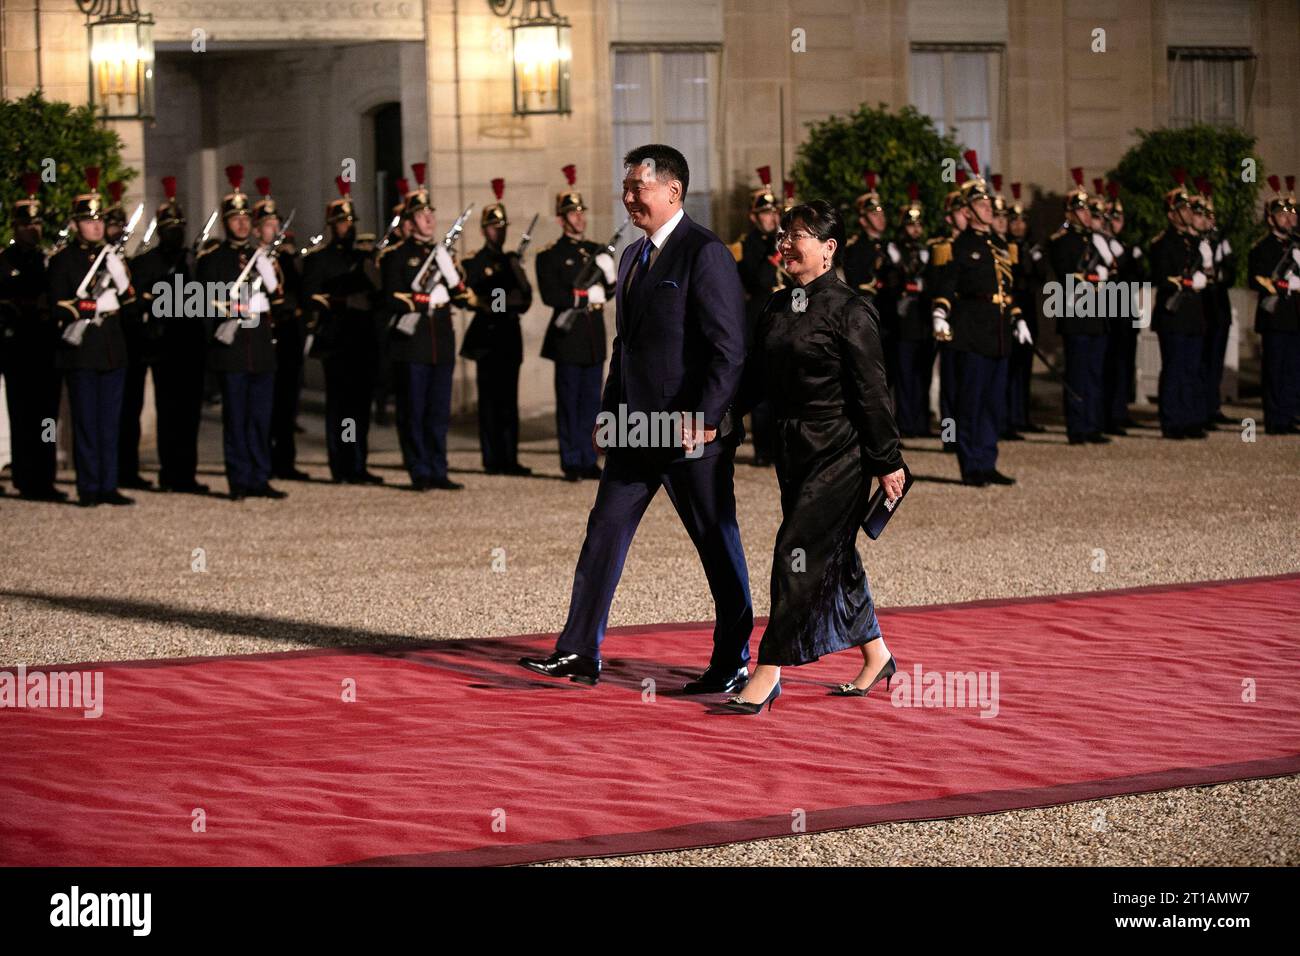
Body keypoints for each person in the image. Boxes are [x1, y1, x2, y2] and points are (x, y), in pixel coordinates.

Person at [518, 144, 753, 692]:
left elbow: (729, 349)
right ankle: (578, 652)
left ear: (673, 191)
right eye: (625, 189)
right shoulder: (632, 256)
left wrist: (707, 416)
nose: (628, 199)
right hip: (633, 431)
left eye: (638, 188)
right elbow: (625, 345)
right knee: (602, 532)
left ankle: (733, 660)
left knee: (716, 543)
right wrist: (608, 413)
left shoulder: (706, 252)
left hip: (691, 433)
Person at [724, 200, 907, 714]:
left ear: (828, 248)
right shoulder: (779, 306)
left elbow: (873, 391)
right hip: (792, 447)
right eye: (784, 234)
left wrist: (887, 459)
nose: (785, 243)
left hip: (840, 452)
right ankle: (877, 655)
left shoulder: (852, 309)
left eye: (798, 235)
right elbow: (756, 376)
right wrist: (726, 418)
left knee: (795, 551)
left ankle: (769, 669)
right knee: (836, 556)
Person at [930, 151, 1029, 486]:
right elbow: (949, 283)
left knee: (992, 401)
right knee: (970, 402)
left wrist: (1018, 318)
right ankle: (971, 464)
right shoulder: (960, 245)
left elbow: (1007, 286)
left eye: (989, 204)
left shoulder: (999, 245)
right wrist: (940, 313)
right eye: (982, 205)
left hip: (998, 330)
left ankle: (987, 460)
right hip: (971, 331)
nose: (990, 209)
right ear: (968, 211)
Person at [198, 164, 287, 499]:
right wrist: (232, 309)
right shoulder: (213, 258)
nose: (242, 223)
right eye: (235, 218)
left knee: (261, 418)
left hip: (260, 346)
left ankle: (259, 476)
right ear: (226, 221)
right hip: (232, 348)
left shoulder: (260, 256)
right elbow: (203, 301)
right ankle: (238, 479)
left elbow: (278, 298)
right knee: (236, 419)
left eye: (246, 218)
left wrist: (269, 270)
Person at [380, 163, 471, 490]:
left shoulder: (444, 254)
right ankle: (418, 469)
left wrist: (454, 280)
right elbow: (389, 297)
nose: (429, 219)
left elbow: (464, 298)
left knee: (437, 412)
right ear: (409, 222)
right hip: (412, 344)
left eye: (431, 213)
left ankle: (437, 467)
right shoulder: (396, 256)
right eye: (422, 215)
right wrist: (425, 300)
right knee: (413, 412)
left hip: (440, 342)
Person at [48, 167, 135, 506]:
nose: (97, 226)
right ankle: (89, 486)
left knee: (110, 422)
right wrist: (91, 303)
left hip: (112, 346)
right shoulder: (64, 261)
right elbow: (58, 305)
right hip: (82, 347)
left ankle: (108, 484)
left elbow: (129, 299)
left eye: (100, 220)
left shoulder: (112, 258)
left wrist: (119, 276)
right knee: (86, 421)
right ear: (75, 224)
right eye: (89, 221)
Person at [536, 164, 615, 481]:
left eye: (581, 212)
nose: (579, 217)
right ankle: (570, 460)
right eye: (573, 213)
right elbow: (551, 295)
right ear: (561, 219)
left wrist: (609, 278)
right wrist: (583, 296)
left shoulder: (596, 250)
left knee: (590, 403)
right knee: (569, 403)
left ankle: (587, 457)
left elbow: (608, 292)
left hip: (593, 335)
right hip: (568, 338)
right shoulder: (550, 255)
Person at [130, 175, 209, 494]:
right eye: (169, 225)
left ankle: (185, 472)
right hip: (163, 347)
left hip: (190, 345)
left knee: (190, 414)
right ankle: (170, 471)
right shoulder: (146, 263)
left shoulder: (194, 261)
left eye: (179, 225)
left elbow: (205, 299)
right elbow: (140, 302)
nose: (175, 231)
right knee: (169, 412)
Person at [302, 177, 382, 484]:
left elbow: (377, 295)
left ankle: (359, 461)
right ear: (331, 225)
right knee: (340, 407)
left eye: (350, 222)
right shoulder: (320, 260)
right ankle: (341, 463)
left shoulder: (363, 257)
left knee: (360, 406)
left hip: (362, 340)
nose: (346, 227)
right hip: (337, 341)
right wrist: (342, 296)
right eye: (341, 223)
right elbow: (312, 297)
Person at [461, 178, 534, 476]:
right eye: (493, 227)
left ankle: (510, 457)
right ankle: (492, 459)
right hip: (487, 340)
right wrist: (503, 298)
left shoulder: (510, 261)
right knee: (490, 403)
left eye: (502, 227)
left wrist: (503, 296)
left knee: (509, 402)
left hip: (508, 338)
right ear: (483, 229)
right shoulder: (475, 262)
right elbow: (480, 298)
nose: (499, 231)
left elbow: (525, 298)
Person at [1, 173, 65, 501]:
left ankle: (45, 476)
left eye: (37, 223)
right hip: (18, 351)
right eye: (27, 224)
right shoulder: (5, 261)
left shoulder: (47, 260)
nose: (33, 229)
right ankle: (26, 478)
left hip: (45, 351)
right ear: (15, 226)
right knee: (23, 416)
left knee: (47, 419)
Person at [1049, 169, 1110, 445]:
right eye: (1082, 211)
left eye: (1088, 211)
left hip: (1097, 315)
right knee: (1077, 373)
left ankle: (1092, 423)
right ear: (1070, 213)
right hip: (1076, 313)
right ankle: (1077, 427)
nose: (1087, 216)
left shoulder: (1094, 240)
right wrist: (1094, 277)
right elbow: (1066, 275)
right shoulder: (1062, 242)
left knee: (1095, 374)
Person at [729, 166, 785, 467]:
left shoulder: (783, 242)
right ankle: (764, 450)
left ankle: (784, 446)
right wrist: (776, 254)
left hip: (786, 322)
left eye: (774, 212)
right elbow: (759, 280)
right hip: (759, 322)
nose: (772, 217)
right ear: (754, 217)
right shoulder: (744, 246)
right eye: (766, 213)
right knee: (762, 393)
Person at [1148, 170, 1208, 440]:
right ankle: (1172, 421)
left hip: (1193, 313)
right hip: (1173, 313)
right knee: (1174, 368)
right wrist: (1185, 281)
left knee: (1192, 368)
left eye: (1188, 208)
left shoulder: (1194, 241)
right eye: (1181, 209)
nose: (1187, 213)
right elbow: (1160, 276)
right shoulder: (1162, 243)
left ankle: (1191, 418)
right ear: (1171, 214)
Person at [1247, 175, 1299, 434]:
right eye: (1282, 215)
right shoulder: (1262, 248)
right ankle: (1276, 419)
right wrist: (1283, 285)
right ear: (1270, 219)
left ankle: (1290, 414)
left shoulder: (1297, 246)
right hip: (1276, 316)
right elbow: (1256, 279)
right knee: (1276, 370)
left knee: (1294, 369)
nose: (1289, 219)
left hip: (1296, 315)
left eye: (1292, 214)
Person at [887, 184, 934, 438]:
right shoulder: (895, 249)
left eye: (918, 225)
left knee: (922, 375)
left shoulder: (927, 250)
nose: (916, 229)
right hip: (904, 321)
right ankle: (906, 423)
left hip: (924, 320)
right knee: (904, 376)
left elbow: (930, 282)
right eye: (911, 224)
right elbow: (895, 282)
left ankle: (922, 421)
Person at [1007, 182, 1047, 435]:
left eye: (1023, 220)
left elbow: (1041, 276)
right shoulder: (1005, 247)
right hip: (1010, 310)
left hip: (1028, 310)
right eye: (1015, 220)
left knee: (1024, 367)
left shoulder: (1032, 246)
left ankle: (1022, 415)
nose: (1019, 225)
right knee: (1010, 369)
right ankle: (1009, 417)